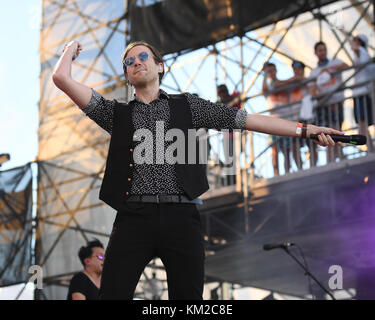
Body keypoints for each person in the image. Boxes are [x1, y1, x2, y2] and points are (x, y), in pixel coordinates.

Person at [53, 40, 342, 300]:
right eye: (129, 62)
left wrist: (307, 130)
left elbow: (248, 120)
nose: (136, 62)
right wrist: (70, 49)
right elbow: (61, 78)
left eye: (142, 56)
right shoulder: (116, 114)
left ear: (160, 66)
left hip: (181, 216)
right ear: (128, 75)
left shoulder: (188, 106)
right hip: (133, 218)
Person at [308, 41, 349, 162]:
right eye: (320, 50)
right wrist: (319, 96)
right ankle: (331, 158)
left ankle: (339, 155)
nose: (322, 52)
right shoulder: (314, 72)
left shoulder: (334, 62)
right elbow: (311, 91)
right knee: (326, 133)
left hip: (336, 103)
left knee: (336, 130)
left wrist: (329, 69)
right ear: (316, 53)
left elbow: (346, 66)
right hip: (323, 105)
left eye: (324, 49)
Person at [339, 30, 374, 152]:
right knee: (363, 123)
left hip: (360, 94)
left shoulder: (362, 52)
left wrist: (343, 33)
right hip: (363, 93)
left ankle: (369, 149)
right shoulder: (366, 55)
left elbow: (354, 48)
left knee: (362, 123)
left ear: (359, 41)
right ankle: (369, 148)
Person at [262, 62, 293, 175]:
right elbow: (264, 89)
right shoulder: (269, 86)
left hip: (286, 120)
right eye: (269, 71)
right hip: (273, 122)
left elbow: (287, 83)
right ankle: (276, 173)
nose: (271, 73)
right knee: (274, 149)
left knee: (287, 150)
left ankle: (287, 172)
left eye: (272, 70)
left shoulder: (281, 84)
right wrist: (265, 76)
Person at [217, 84, 241, 185]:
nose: (222, 95)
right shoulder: (219, 103)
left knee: (234, 158)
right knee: (229, 159)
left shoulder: (234, 97)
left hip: (236, 134)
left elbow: (240, 97)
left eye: (223, 92)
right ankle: (231, 181)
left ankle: (234, 180)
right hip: (227, 136)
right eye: (220, 93)